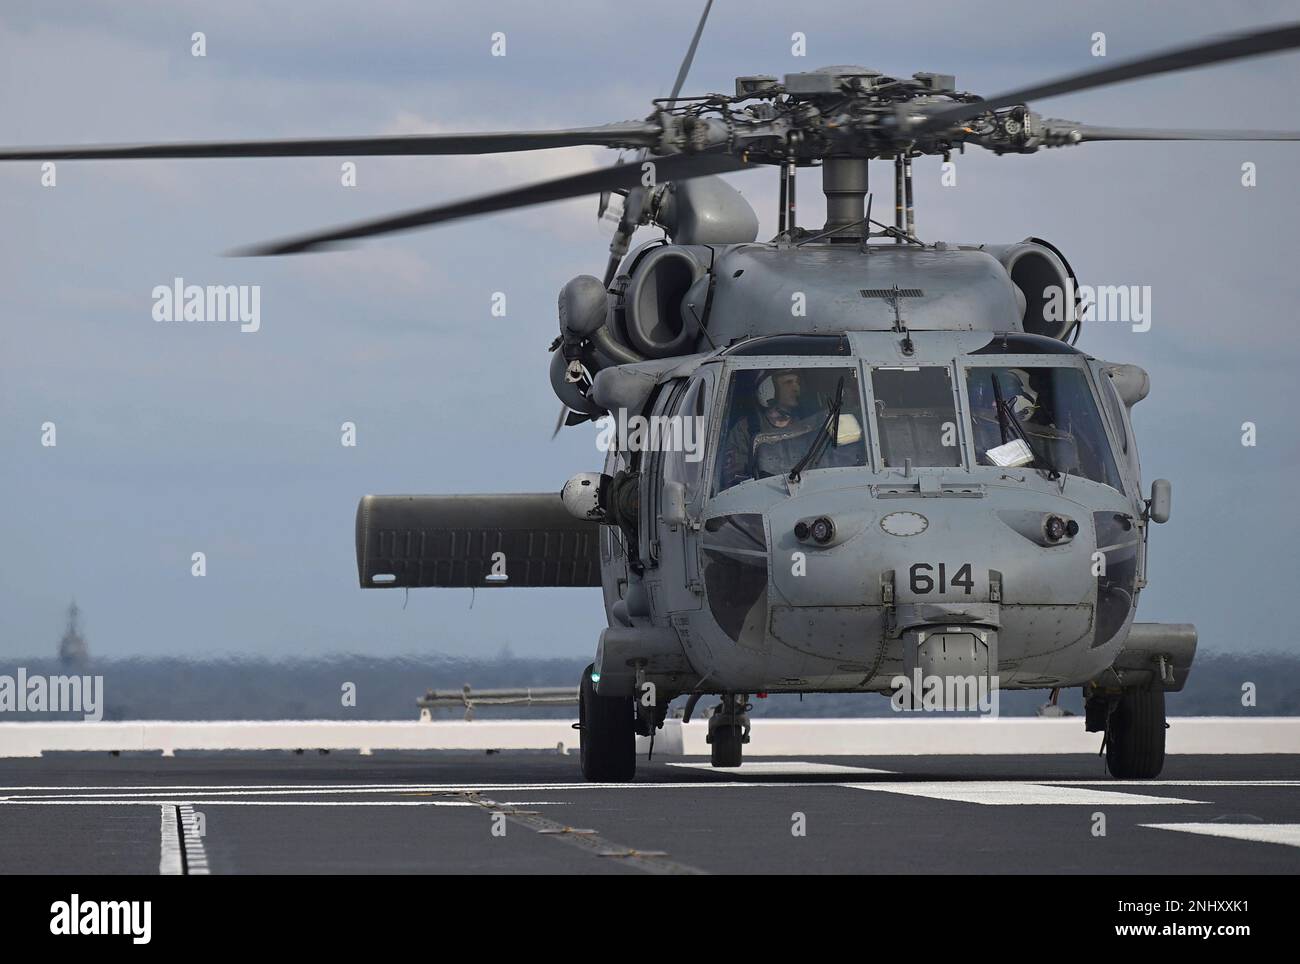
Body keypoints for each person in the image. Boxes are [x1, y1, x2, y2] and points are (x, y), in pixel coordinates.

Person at [719, 369, 806, 487]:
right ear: (768, 389)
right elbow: (733, 479)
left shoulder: (806, 426)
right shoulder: (746, 428)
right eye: (788, 382)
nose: (796, 388)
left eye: (797, 382)